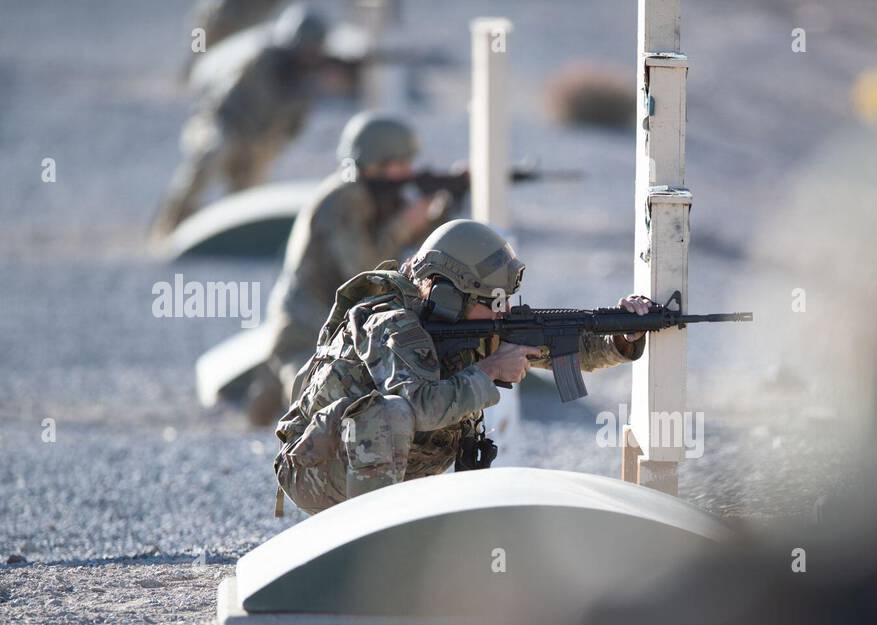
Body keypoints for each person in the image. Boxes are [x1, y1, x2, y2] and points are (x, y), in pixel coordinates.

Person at [273, 219, 650, 514]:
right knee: (390, 413)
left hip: (373, 469)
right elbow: (419, 405)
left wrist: (621, 336)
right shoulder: (388, 322)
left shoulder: (464, 324)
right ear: (446, 295)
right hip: (315, 468)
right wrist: (487, 372)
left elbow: (561, 347)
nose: (501, 311)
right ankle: (367, 556)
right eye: (491, 300)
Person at [245, 112, 454, 425]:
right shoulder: (343, 202)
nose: (409, 172)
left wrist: (440, 211)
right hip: (305, 327)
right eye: (401, 163)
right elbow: (365, 272)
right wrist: (406, 223)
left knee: (277, 399)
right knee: (311, 411)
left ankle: (257, 411)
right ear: (375, 163)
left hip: (325, 323)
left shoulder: (368, 196)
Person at [151, 4, 329, 239]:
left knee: (247, 198)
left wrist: (268, 146)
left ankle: (231, 239)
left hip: (260, 142)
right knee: (212, 155)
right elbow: (223, 102)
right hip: (224, 124)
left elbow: (294, 124)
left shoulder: (309, 79)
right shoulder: (260, 60)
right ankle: (170, 224)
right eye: (306, 46)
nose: (310, 52)